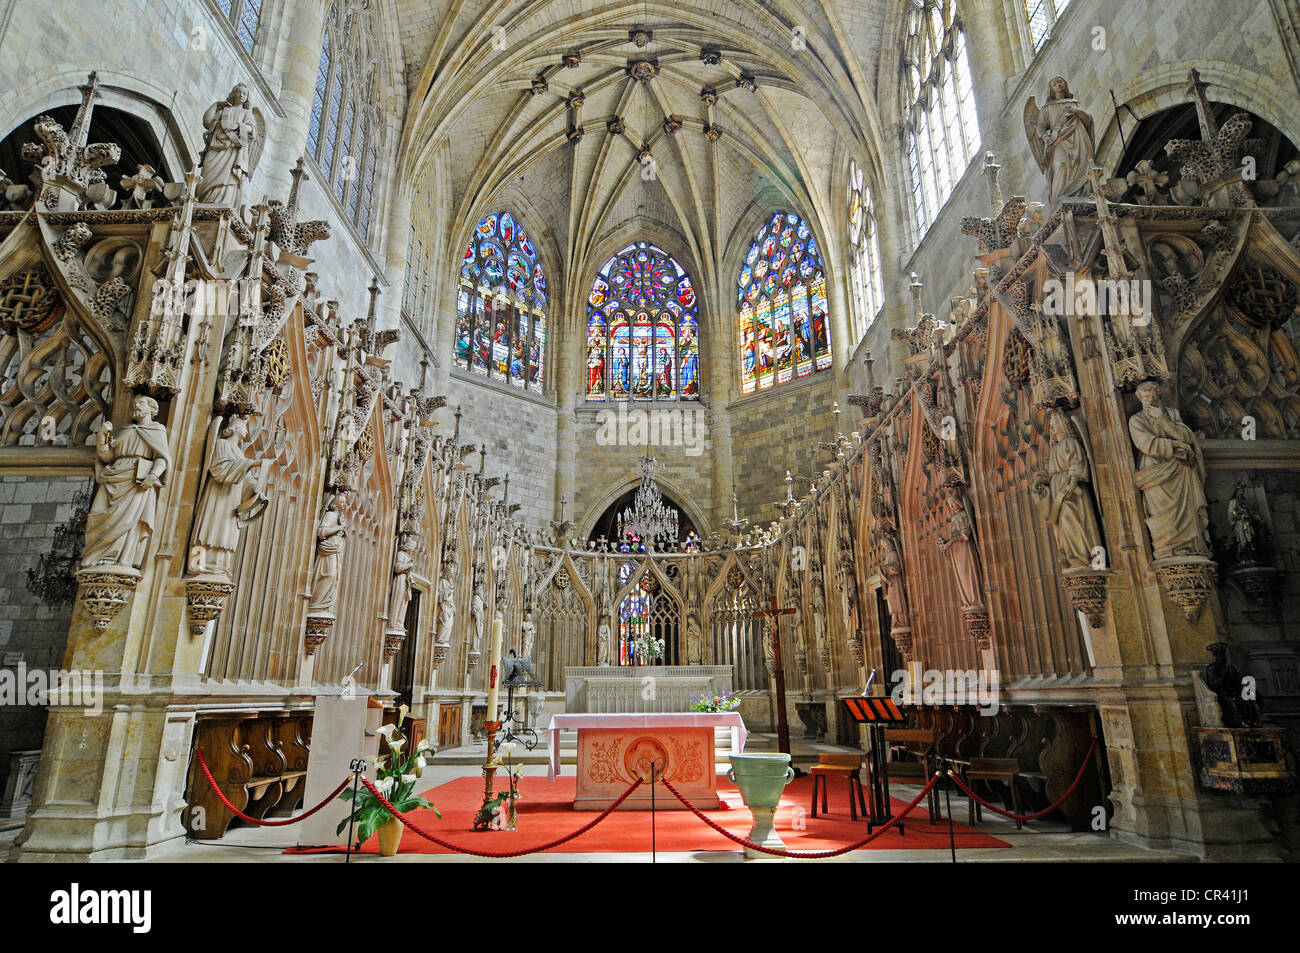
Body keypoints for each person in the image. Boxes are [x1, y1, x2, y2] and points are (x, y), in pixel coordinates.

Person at [81, 395, 172, 571]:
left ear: (152, 408)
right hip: (115, 474)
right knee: (98, 514)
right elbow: (108, 457)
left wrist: (153, 476)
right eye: (134, 404)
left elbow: (162, 456)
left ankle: (117, 558)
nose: (136, 406)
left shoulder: (157, 429)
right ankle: (96, 554)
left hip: (136, 478)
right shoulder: (125, 429)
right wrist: (102, 437)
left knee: (127, 520)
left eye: (140, 404)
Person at [198, 84, 260, 205]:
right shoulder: (224, 111)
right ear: (234, 93)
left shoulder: (247, 114)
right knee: (207, 175)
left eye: (244, 94)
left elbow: (252, 129)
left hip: (233, 150)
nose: (241, 95)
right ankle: (204, 199)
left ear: (247, 98)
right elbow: (207, 122)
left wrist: (238, 126)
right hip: (217, 147)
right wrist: (216, 104)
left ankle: (222, 203)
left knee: (228, 176)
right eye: (239, 92)